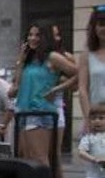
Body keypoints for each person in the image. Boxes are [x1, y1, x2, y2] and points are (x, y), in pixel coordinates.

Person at [7, 24, 76, 169]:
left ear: (45, 37)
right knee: (25, 157)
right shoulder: (28, 59)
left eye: (37, 35)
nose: (32, 38)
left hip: (40, 111)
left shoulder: (52, 57)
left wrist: (57, 88)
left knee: (40, 158)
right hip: (23, 112)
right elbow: (16, 87)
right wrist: (21, 60)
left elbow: (79, 73)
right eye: (30, 35)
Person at [79, 6, 105, 132]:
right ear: (94, 27)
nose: (104, 28)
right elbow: (82, 89)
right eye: (101, 24)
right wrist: (88, 117)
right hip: (96, 117)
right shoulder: (86, 55)